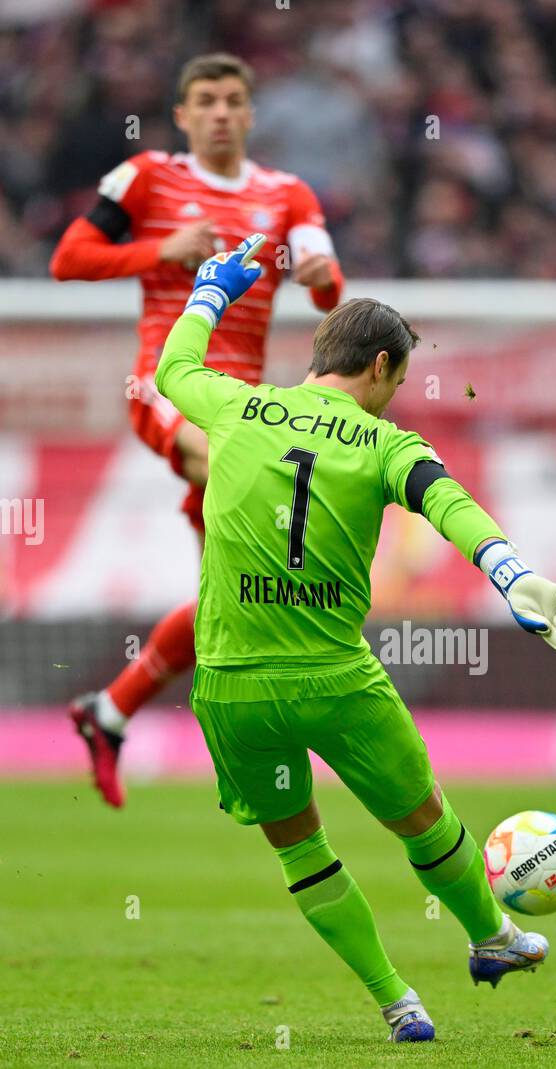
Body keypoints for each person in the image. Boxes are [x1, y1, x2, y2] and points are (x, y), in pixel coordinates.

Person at [152, 235, 556, 1042]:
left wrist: (209, 292)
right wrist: (509, 569)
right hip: (336, 684)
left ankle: (396, 1001)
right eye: (400, 380)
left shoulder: (237, 406)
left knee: (299, 849)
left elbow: (172, 372)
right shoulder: (388, 445)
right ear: (379, 367)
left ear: (320, 356)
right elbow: (446, 501)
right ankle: (490, 937)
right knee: (424, 821)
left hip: (233, 686)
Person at [50, 52, 344, 807]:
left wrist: (321, 282)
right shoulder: (147, 177)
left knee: (234, 596)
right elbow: (68, 257)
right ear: (182, 115)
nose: (219, 112)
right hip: (164, 385)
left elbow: (325, 283)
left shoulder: (286, 195)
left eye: (233, 100)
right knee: (258, 515)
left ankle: (108, 710)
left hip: (241, 407)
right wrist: (162, 251)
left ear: (250, 113)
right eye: (205, 100)